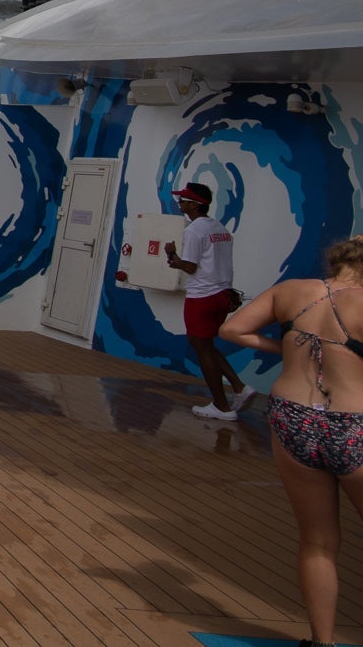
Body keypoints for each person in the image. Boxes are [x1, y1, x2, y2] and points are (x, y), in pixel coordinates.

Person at [218, 236, 363, 647]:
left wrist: (284, 347)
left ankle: (322, 642)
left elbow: (231, 329)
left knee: (318, 542)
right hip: (354, 423)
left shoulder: (291, 291)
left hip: (293, 419)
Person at [165, 182, 253, 419]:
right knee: (205, 345)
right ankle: (239, 387)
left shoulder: (193, 231)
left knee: (202, 349)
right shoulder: (220, 228)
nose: (180, 203)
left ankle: (222, 407)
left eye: (184, 200)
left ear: (195, 205)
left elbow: (190, 267)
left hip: (201, 297)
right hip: (222, 295)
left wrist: (172, 257)